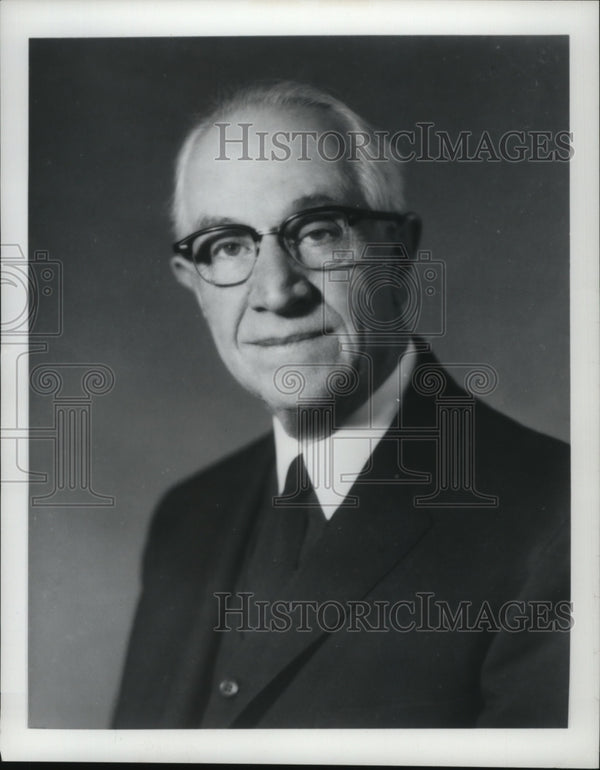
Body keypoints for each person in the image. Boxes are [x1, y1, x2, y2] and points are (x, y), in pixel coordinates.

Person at [113, 81, 570, 729]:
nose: (276, 290)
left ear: (399, 251)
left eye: (319, 231)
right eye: (229, 246)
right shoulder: (186, 518)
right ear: (194, 282)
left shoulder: (562, 517)